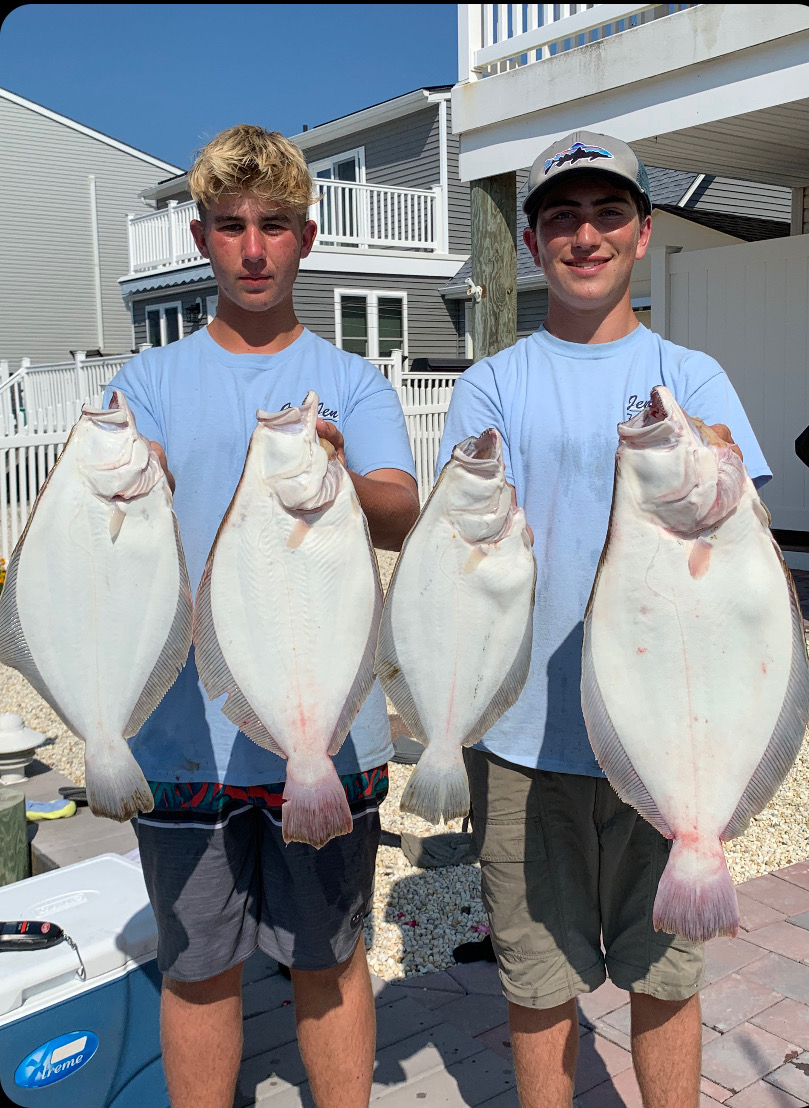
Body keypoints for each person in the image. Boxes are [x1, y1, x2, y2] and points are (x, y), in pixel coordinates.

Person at [437, 131, 770, 1108]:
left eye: (606, 213)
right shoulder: (491, 383)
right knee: (535, 988)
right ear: (534, 244)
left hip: (672, 737)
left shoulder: (690, 376)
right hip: (522, 744)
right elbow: (456, 548)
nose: (585, 235)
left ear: (640, 232)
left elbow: (736, 549)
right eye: (561, 218)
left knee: (666, 981)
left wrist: (708, 461)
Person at [106, 125, 420, 1108]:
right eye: (232, 226)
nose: (252, 248)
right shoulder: (147, 384)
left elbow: (401, 510)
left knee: (328, 959)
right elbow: (111, 540)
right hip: (177, 738)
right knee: (197, 966)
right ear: (202, 239)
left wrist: (340, 472)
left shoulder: (354, 380)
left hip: (325, 733)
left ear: (305, 238)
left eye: (273, 226)